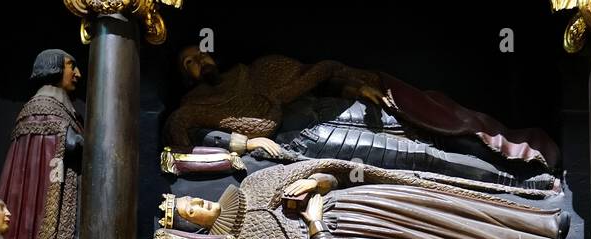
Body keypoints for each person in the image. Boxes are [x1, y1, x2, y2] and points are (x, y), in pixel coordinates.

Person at [163, 47, 557, 188]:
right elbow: (181, 143)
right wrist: (245, 143)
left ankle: (515, 163)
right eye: (191, 63)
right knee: (418, 159)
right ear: (187, 76)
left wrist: (351, 87)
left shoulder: (256, 70)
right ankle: (516, 188)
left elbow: (315, 75)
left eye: (201, 54)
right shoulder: (193, 109)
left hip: (327, 108)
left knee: (425, 130)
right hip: (304, 138)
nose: (201, 62)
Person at [155, 158, 573, 239]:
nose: (200, 206)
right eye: (193, 213)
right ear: (197, 226)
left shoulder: (256, 184)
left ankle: (542, 224)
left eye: (195, 200)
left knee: (449, 209)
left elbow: (325, 173)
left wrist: (314, 185)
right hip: (363, 237)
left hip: (364, 200)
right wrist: (315, 222)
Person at [0, 49, 83, 239]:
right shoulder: (45, 105)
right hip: (43, 188)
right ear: (54, 68)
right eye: (70, 65)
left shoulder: (57, 107)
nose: (77, 73)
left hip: (51, 179)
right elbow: (72, 144)